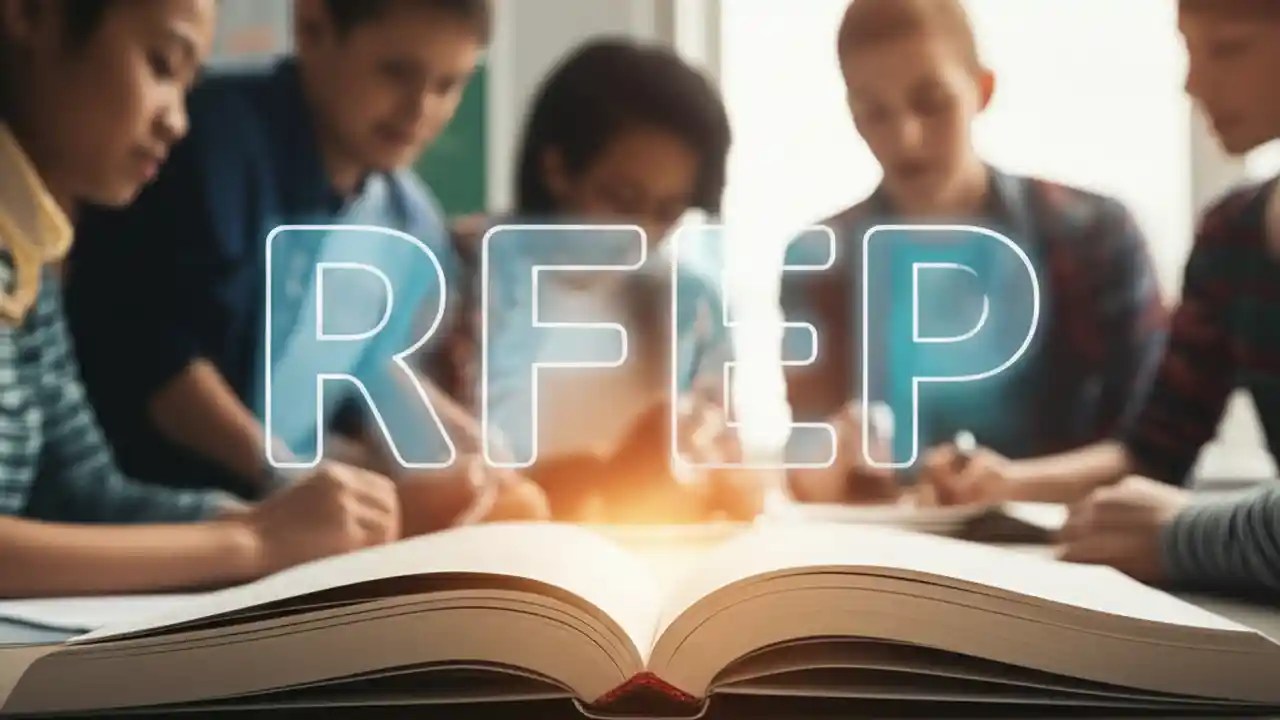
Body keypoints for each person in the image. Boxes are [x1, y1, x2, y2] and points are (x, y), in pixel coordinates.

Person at [64, 0, 547, 531]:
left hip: (286, 524)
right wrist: (285, 477)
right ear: (313, 28)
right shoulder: (205, 144)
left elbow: (365, 375)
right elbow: (150, 353)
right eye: (396, 72)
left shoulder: (411, 222)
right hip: (155, 516)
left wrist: (467, 451)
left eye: (448, 85)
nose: (419, 109)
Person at [0, 0, 403, 598]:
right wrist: (251, 543)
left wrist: (268, 522)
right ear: (33, 13)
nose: (178, 122)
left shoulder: (30, 250)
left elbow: (81, 492)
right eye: (162, 65)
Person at [782, 0, 1166, 505]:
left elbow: (1152, 452)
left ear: (982, 90)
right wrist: (822, 471)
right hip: (888, 556)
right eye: (874, 112)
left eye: (932, 101)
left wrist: (1010, 486)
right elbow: (811, 450)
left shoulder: (1097, 235)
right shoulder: (816, 262)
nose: (906, 138)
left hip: (1072, 555)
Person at [431, 40, 762, 522]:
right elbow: (429, 479)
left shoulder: (690, 304)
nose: (641, 233)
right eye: (622, 199)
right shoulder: (455, 274)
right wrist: (603, 476)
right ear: (557, 168)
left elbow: (727, 468)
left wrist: (724, 479)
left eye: (668, 211)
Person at [1057, 0, 1280, 595]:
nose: (1193, 83)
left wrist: (1183, 534)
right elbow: (1153, 453)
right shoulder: (1232, 234)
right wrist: (998, 483)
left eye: (1228, 48)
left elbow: (1167, 515)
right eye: (1189, 48)